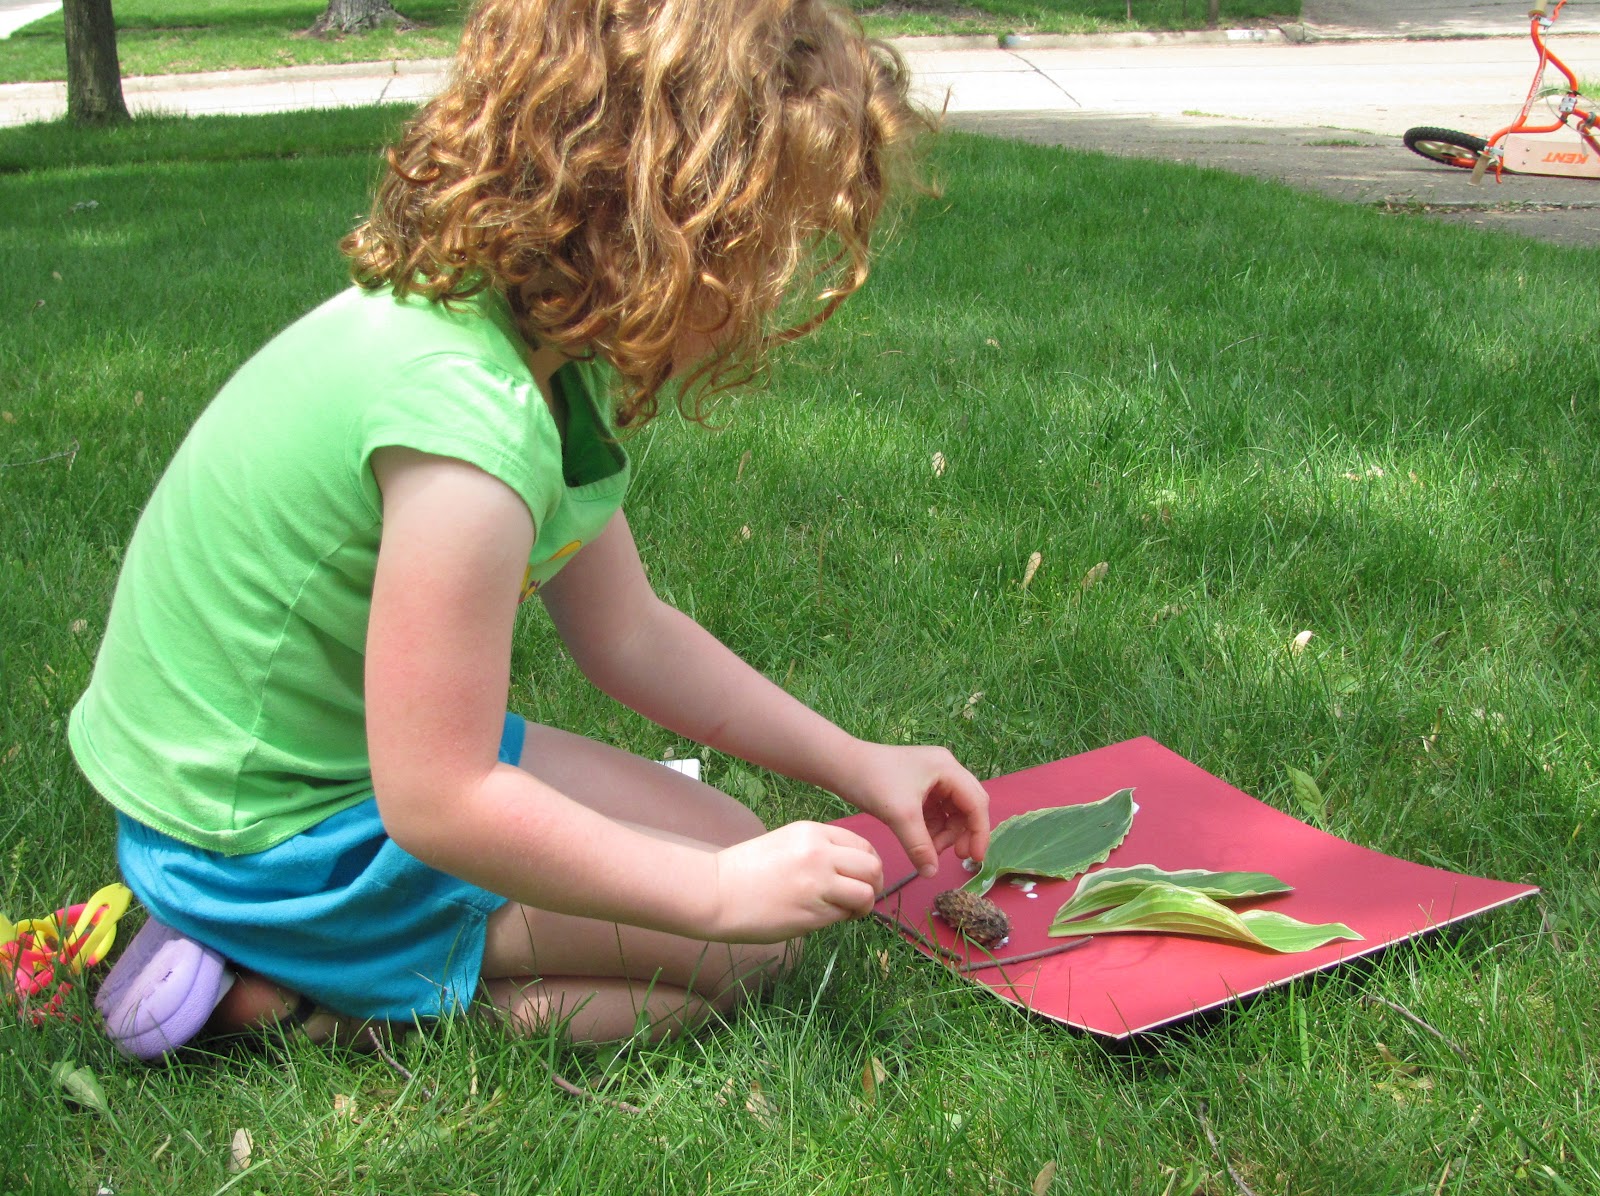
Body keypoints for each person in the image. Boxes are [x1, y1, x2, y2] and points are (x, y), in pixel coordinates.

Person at [74, 0, 991, 1061]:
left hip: (329, 775)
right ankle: (294, 1002)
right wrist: (714, 893)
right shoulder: (466, 422)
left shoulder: (531, 347)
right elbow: (441, 796)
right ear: (660, 211)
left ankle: (285, 961)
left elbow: (629, 634)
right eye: (758, 243)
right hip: (268, 839)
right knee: (741, 949)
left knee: (743, 853)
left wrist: (854, 761)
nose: (763, 292)